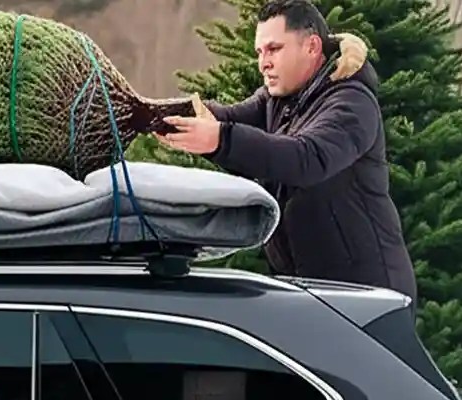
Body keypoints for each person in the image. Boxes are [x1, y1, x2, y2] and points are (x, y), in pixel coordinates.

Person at [157, 0, 418, 305]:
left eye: (274, 49)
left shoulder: (351, 102)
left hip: (370, 296)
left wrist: (221, 140)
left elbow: (306, 159)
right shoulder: (277, 97)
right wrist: (157, 115)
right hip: (315, 288)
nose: (263, 63)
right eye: (259, 52)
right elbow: (225, 118)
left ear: (311, 47)